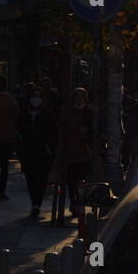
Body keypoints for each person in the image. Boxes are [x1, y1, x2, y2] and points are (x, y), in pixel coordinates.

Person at [52, 87, 97, 217]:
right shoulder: (68, 112)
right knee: (71, 181)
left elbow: (93, 131)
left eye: (81, 97)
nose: (79, 99)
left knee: (82, 180)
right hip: (70, 151)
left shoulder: (89, 112)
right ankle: (74, 202)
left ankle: (80, 203)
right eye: (77, 96)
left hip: (84, 151)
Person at [18, 85, 57, 219]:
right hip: (27, 151)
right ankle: (34, 202)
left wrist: (50, 146)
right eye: (34, 96)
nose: (36, 99)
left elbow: (53, 133)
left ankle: (37, 204)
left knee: (41, 179)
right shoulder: (23, 113)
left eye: (39, 97)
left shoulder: (47, 114)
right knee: (30, 178)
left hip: (43, 152)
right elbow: (18, 129)